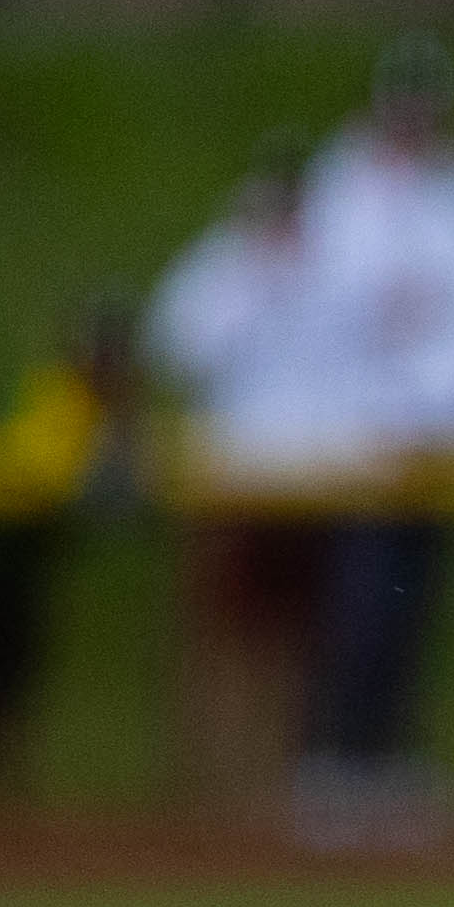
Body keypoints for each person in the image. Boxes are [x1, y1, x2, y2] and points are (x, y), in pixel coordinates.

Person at [288, 36, 454, 852]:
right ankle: (334, 765)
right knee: (358, 609)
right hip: (361, 438)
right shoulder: (343, 188)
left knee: (413, 612)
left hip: (440, 441)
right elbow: (325, 315)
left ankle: (388, 764)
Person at [147, 139, 345, 820]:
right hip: (233, 482)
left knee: (295, 647)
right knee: (225, 647)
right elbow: (178, 344)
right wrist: (254, 274)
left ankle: (279, 790)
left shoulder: (330, 271)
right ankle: (213, 793)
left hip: (310, 486)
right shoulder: (224, 265)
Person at [0, 301, 149, 805]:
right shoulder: (57, 395)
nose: (106, 365)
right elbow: (55, 483)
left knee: (14, 676)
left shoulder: (105, 409)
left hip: (29, 560)